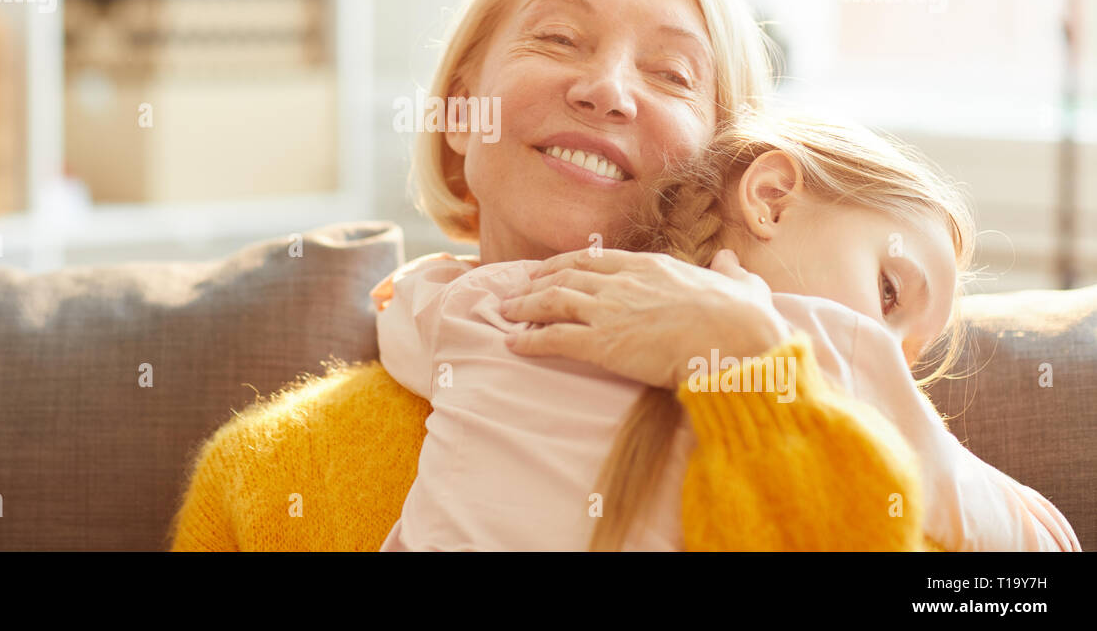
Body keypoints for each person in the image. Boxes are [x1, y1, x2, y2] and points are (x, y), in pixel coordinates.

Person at [374, 106, 1080, 550]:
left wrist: (417, 279)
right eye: (890, 292)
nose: (892, 352)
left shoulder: (496, 300)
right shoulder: (834, 351)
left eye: (910, 355)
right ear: (771, 198)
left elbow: (403, 320)